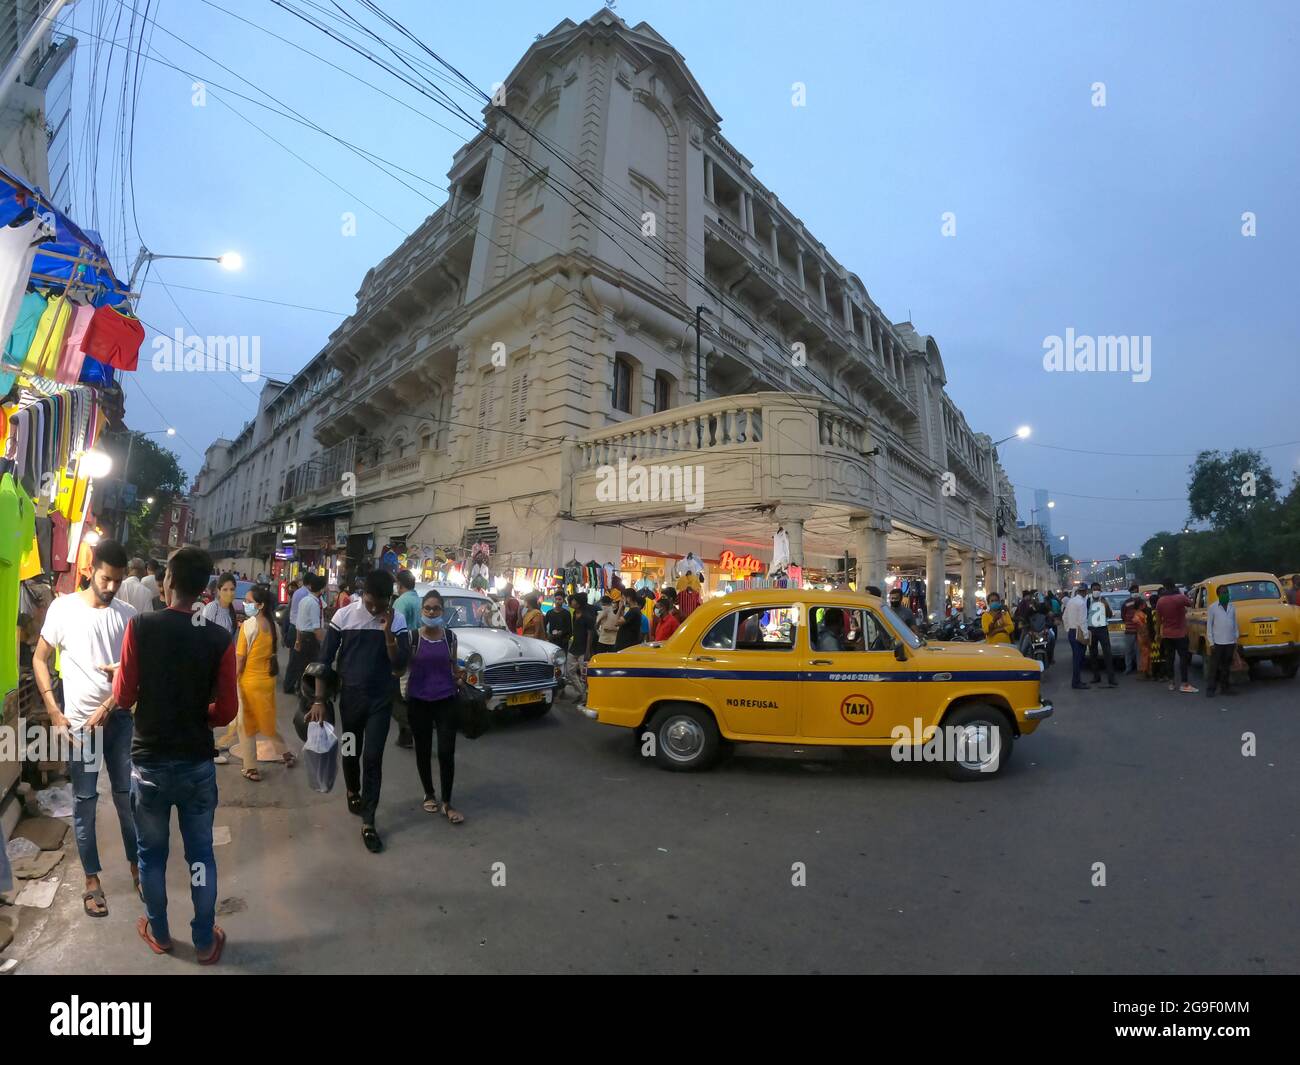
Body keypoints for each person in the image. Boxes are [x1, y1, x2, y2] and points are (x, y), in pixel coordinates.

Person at [114, 546, 237, 964]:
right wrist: (199, 711)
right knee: (200, 855)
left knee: (152, 854)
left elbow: (123, 696)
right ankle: (204, 939)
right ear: (204, 588)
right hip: (196, 765)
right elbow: (227, 711)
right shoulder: (218, 637)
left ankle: (160, 931)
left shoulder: (141, 627)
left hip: (149, 762)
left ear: (167, 581)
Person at [32, 539, 138, 918]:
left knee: (128, 798)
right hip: (81, 727)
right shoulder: (63, 609)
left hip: (120, 721)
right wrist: (54, 710)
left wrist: (111, 703)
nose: (111, 588)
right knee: (85, 803)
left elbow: (135, 672)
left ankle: (136, 866)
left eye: (118, 582)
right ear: (91, 570)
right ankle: (92, 878)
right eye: (106, 579)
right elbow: (40, 658)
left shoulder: (127, 615)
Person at [308, 569, 410, 853]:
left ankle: (369, 821)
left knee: (373, 756)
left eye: (380, 602)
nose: (374, 607)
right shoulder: (344, 616)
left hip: (380, 700)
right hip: (351, 700)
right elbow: (324, 660)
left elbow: (399, 666)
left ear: (389, 599)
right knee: (351, 750)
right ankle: (352, 791)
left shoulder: (397, 620)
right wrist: (318, 700)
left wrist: (388, 632)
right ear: (363, 594)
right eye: (370, 600)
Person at [405, 590, 465, 824]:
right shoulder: (413, 638)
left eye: (436, 608)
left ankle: (447, 802)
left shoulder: (450, 638)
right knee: (423, 749)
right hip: (418, 701)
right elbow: (401, 668)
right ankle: (429, 793)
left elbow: (454, 668)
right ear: (421, 611)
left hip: (446, 699)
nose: (431, 612)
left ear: (442, 611)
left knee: (446, 752)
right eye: (427, 608)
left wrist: (462, 677)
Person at [235, 584, 295, 781]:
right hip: (267, 681)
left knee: (247, 725)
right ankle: (285, 753)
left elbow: (241, 658)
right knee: (267, 719)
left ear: (260, 605)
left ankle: (250, 768)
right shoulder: (274, 626)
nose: (246, 604)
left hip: (249, 682)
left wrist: (232, 679)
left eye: (249, 602)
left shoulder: (248, 626)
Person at [390, 570, 423, 749]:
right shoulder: (420, 600)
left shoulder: (401, 602)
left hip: (405, 652)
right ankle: (408, 733)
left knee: (400, 694)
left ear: (399, 585)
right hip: (421, 652)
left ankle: (408, 731)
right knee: (411, 691)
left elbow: (396, 630)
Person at [284, 574, 325, 698]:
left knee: (300, 666)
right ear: (321, 589)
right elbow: (316, 627)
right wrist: (323, 644)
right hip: (310, 639)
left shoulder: (304, 600)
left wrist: (298, 640)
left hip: (301, 635)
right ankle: (308, 694)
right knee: (314, 668)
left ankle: (301, 691)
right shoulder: (314, 604)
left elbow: (299, 623)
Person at [1155, 577, 1197, 693]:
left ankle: (1171, 683)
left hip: (1167, 634)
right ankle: (1184, 683)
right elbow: (1191, 603)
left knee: (1170, 658)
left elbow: (1158, 620)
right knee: (1183, 658)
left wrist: (1158, 633)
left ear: (1164, 587)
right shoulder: (1180, 598)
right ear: (1174, 585)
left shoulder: (1161, 601)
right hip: (1181, 634)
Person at [1205, 585, 1239, 698]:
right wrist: (1211, 642)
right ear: (1218, 595)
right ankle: (1211, 689)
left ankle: (1225, 687)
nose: (1226, 595)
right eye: (1224, 593)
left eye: (1227, 592)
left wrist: (1235, 640)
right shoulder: (1213, 608)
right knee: (1214, 667)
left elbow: (1235, 625)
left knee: (1226, 667)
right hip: (1218, 643)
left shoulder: (1232, 607)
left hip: (1230, 642)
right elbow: (1209, 626)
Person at [566, 593, 595, 706]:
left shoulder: (588, 616)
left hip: (584, 648)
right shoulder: (574, 613)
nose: (571, 602)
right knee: (570, 671)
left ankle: (585, 696)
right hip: (574, 646)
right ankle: (581, 693)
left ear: (578, 602)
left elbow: (590, 634)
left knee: (584, 675)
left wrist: (588, 651)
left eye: (573, 601)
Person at [1086, 582, 1118, 687]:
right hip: (1091, 629)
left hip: (1102, 629)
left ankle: (1111, 678)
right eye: (1094, 589)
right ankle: (1096, 676)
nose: (1096, 591)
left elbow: (1110, 614)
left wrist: (1105, 606)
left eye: (1098, 589)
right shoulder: (1087, 601)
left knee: (1107, 654)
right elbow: (1084, 614)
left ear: (1100, 590)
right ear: (1091, 590)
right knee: (1093, 654)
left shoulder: (1104, 600)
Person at [1062, 584, 1090, 690]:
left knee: (1076, 657)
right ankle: (1076, 682)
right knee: (1079, 659)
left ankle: (1077, 681)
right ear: (1085, 592)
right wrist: (1086, 635)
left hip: (1072, 632)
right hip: (1079, 632)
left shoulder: (1070, 602)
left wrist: (1068, 629)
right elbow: (1082, 621)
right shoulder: (1082, 603)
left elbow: (1064, 617)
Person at [200, 572, 240, 636]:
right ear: (219, 591)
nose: (229, 593)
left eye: (232, 589)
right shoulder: (211, 608)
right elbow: (203, 635)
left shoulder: (232, 611)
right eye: (225, 590)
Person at [1120, 584, 1143, 675]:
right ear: (1130, 593)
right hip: (1129, 630)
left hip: (1140, 631)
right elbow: (1123, 615)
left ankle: (1139, 669)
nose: (1135, 593)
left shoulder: (1142, 602)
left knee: (1139, 651)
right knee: (1128, 651)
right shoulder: (1126, 603)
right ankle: (1128, 668)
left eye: (1136, 591)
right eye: (1133, 592)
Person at [1132, 596, 1152, 677]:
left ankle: (1145, 670)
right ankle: (1146, 671)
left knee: (1144, 653)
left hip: (1140, 635)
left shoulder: (1136, 614)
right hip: (1144, 635)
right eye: (1144, 604)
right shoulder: (1141, 614)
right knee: (1147, 653)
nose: (1145, 605)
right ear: (1140, 605)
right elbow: (1143, 626)